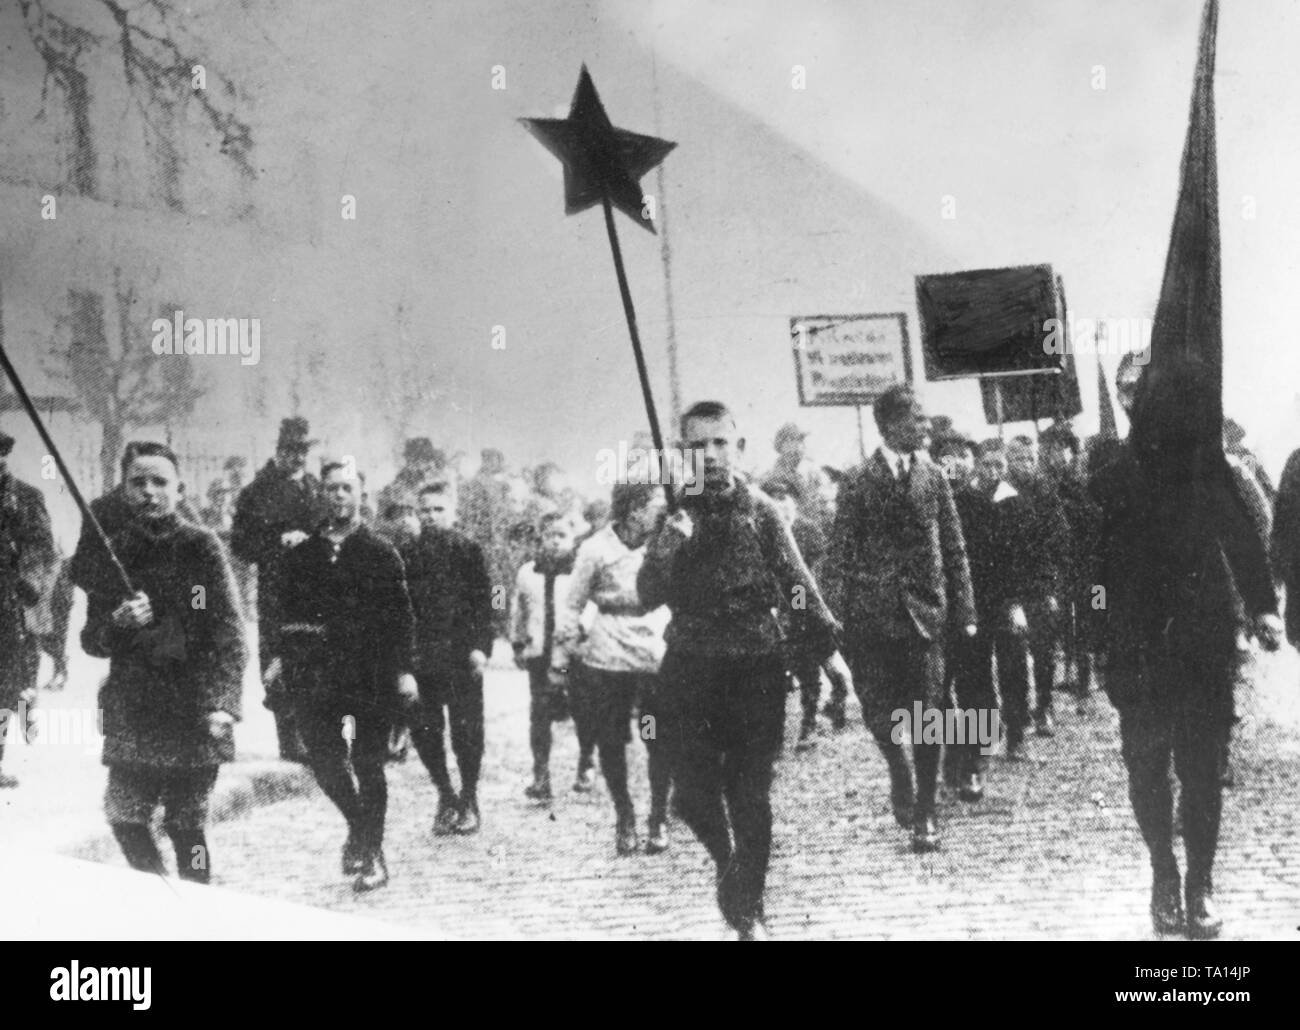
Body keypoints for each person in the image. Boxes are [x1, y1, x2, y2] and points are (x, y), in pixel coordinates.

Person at [639, 401, 852, 940]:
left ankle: (749, 909)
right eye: (697, 445)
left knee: (750, 791)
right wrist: (669, 545)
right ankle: (730, 860)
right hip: (690, 662)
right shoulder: (672, 514)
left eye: (720, 443)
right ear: (684, 453)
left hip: (757, 663)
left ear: (738, 449)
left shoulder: (760, 509)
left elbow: (796, 580)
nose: (710, 455)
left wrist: (828, 646)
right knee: (688, 794)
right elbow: (645, 595)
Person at [1089, 360, 1279, 939]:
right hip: (1135, 646)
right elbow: (1090, 568)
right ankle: (1163, 875)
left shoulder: (1203, 462)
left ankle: (1199, 886)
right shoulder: (1107, 469)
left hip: (1201, 641)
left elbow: (1240, 533)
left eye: (1141, 390)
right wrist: (1098, 633)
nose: (1132, 401)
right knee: (1146, 768)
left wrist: (1262, 603)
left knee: (1201, 772)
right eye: (1124, 392)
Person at [79, 442, 245, 882]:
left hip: (193, 707)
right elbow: (92, 640)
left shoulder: (201, 548)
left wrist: (223, 702)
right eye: (138, 483)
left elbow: (228, 630)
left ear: (180, 489)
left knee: (185, 826)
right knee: (125, 819)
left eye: (160, 482)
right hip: (135, 709)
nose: (149, 492)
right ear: (124, 490)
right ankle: (157, 894)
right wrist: (118, 621)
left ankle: (199, 900)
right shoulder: (114, 553)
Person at [823, 385, 975, 854]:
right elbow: (840, 556)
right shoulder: (857, 482)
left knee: (930, 713)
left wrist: (965, 609)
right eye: (916, 420)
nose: (925, 428)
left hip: (926, 618)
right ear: (888, 425)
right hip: (873, 621)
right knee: (881, 713)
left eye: (926, 420)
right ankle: (897, 767)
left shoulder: (933, 477)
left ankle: (926, 813)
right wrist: (835, 617)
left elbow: (954, 547)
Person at [276, 458, 417, 892]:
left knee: (369, 764)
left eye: (347, 488)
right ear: (321, 494)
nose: (339, 495)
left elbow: (401, 617)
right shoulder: (302, 554)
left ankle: (372, 852)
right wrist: (278, 656)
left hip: (369, 675)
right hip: (316, 677)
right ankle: (359, 828)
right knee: (323, 762)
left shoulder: (379, 552)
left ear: (361, 495)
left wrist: (405, 672)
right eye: (331, 488)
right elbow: (283, 611)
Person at [557, 482, 671, 855]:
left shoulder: (664, 541)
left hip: (653, 650)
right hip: (608, 656)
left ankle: (658, 816)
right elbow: (573, 603)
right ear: (635, 510)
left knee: (655, 734)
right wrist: (564, 647)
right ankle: (624, 815)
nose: (662, 510)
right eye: (655, 504)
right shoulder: (594, 549)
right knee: (611, 737)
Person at [230, 417, 327, 763]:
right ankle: (288, 736)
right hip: (277, 589)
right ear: (278, 450)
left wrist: (313, 541)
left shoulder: (317, 489)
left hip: (315, 589)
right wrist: (276, 542)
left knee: (314, 655)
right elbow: (240, 544)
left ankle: (312, 734)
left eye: (302, 451)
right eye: (291, 450)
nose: (297, 458)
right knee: (278, 657)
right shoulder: (256, 492)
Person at [402, 480, 493, 836]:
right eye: (424, 510)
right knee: (425, 731)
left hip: (461, 655)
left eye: (439, 509)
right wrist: (402, 662)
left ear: (452, 512)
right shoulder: (406, 554)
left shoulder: (469, 550)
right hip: (421, 657)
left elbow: (490, 600)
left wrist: (482, 646)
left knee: (467, 731)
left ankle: (469, 797)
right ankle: (444, 793)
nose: (431, 516)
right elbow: (397, 609)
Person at [511, 512, 594, 798]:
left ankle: (585, 762)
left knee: (582, 709)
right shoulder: (527, 572)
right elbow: (517, 609)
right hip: (540, 652)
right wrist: (517, 642)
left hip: (575, 653)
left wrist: (583, 630)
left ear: (573, 540)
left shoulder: (582, 569)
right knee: (539, 715)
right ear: (541, 539)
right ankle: (541, 775)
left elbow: (593, 604)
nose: (556, 541)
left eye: (562, 535)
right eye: (550, 535)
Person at [760, 477, 835, 743]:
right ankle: (776, 733)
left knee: (813, 665)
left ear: (794, 503)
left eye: (785, 500)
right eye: (775, 501)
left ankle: (810, 720)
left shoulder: (808, 531)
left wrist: (799, 608)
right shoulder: (762, 532)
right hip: (773, 610)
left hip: (805, 609)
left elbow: (815, 571)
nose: (782, 507)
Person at [0, 430, 56, 788]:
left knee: (4, 685)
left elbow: (41, 547)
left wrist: (30, 581)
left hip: (8, 603)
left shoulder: (24, 498)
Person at [1005, 434, 1071, 736]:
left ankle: (1044, 705)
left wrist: (1054, 586)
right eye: (1019, 459)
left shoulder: (1045, 490)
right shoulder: (1001, 491)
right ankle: (1017, 713)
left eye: (1030, 459)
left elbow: (1060, 535)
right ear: (1010, 460)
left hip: (1041, 581)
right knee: (1014, 654)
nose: (1026, 464)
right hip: (1011, 584)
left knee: (1044, 650)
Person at [1040, 423, 1100, 705]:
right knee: (1063, 619)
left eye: (1062, 448)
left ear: (1071, 451)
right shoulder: (1043, 485)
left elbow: (1096, 518)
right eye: (1051, 448)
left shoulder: (1086, 481)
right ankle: (1069, 672)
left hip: (1090, 566)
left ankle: (1092, 673)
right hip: (1060, 565)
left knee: (1094, 612)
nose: (1056, 454)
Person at [459, 448, 516, 638]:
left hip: (488, 543)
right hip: (489, 544)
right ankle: (495, 620)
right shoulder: (488, 486)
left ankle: (490, 619)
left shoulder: (484, 485)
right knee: (496, 583)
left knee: (492, 583)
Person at [765, 422, 831, 530]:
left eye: (801, 440)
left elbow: (825, 502)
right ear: (783, 444)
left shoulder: (813, 471)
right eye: (796, 440)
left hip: (815, 530)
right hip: (788, 530)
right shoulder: (773, 475)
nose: (801, 445)